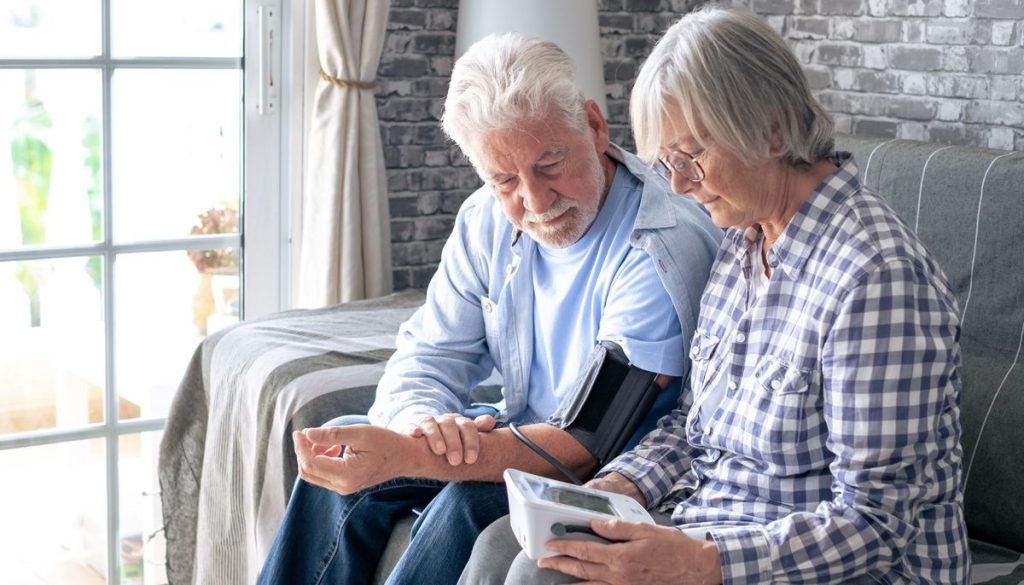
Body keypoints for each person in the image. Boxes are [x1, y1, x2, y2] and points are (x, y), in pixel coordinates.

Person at [460, 7, 969, 585]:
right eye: (667, 162)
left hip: (837, 568)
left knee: (544, 576)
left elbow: (877, 523)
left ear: (772, 130)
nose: (677, 185)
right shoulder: (744, 239)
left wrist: (701, 563)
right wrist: (610, 490)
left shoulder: (877, 279)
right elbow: (692, 427)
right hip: (714, 524)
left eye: (692, 156)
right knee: (506, 540)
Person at [255, 33, 722, 585]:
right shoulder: (485, 220)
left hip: (612, 469)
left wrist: (417, 458)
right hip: (523, 438)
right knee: (342, 444)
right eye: (504, 179)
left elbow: (580, 446)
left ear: (595, 127)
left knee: (466, 504)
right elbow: (429, 353)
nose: (536, 201)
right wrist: (422, 428)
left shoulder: (661, 246)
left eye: (550, 164)